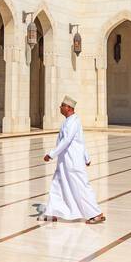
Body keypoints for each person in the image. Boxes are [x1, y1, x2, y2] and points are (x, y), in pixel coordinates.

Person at [40, 95, 105, 224]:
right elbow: (80, 141)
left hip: (73, 162)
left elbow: (67, 140)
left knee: (81, 187)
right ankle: (52, 212)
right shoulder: (69, 121)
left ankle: (96, 213)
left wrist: (51, 154)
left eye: (62, 106)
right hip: (65, 162)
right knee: (57, 185)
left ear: (69, 108)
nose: (60, 108)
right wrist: (87, 156)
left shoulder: (74, 121)